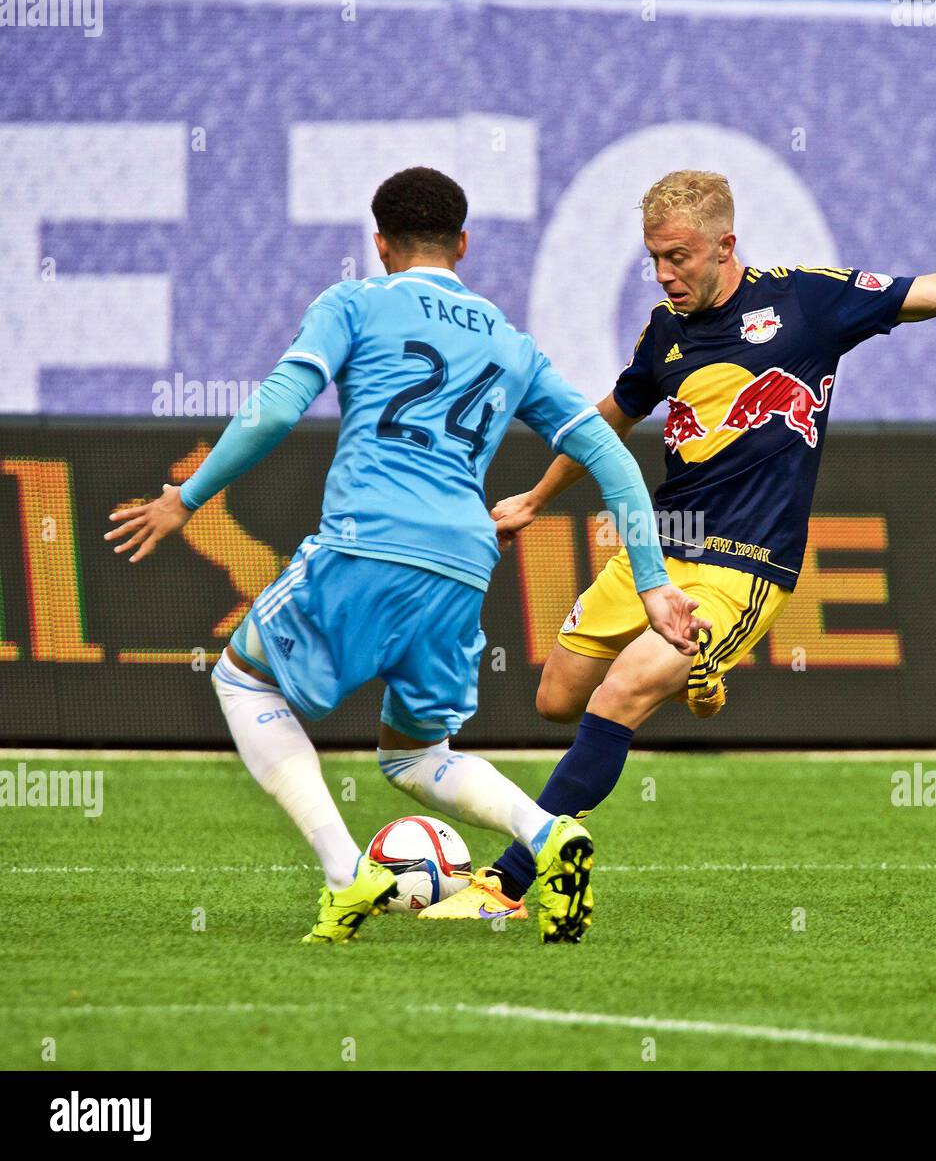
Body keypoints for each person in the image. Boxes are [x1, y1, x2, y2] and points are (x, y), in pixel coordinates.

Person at [437, 168, 936, 912]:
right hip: (660, 554)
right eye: (654, 257)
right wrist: (534, 496)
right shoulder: (664, 331)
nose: (664, 273)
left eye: (679, 256)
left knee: (621, 693)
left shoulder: (806, 301)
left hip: (743, 567)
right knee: (558, 697)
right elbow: (610, 417)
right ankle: (696, 675)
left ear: (726, 245)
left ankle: (508, 881)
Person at [106, 167, 705, 944]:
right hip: (464, 556)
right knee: (416, 753)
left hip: (367, 539)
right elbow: (616, 460)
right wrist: (654, 584)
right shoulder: (509, 340)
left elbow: (278, 406)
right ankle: (547, 833)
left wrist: (184, 498)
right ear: (463, 243)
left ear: (379, 243)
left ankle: (342, 872)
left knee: (240, 676)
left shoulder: (354, 303)